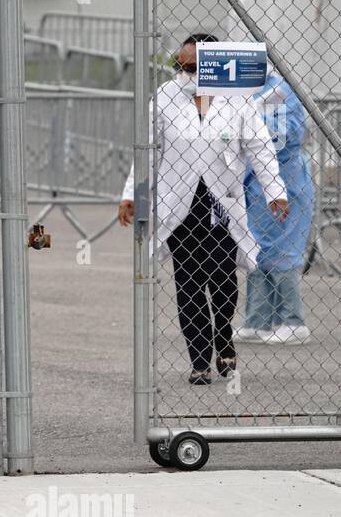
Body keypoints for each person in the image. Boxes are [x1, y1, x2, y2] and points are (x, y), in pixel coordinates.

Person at [118, 33, 289, 385]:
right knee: (190, 285)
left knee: (224, 281)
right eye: (181, 65)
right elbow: (147, 150)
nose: (186, 73)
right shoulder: (164, 98)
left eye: (194, 66)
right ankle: (199, 359)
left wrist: (276, 191)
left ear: (214, 67)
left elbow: (260, 147)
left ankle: (223, 337)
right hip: (180, 207)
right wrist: (132, 193)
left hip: (221, 207)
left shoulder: (237, 101)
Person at [235, 74, 314, 345]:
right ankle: (257, 320)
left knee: (282, 250)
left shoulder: (282, 90)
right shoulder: (245, 88)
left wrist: (250, 121)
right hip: (256, 183)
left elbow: (284, 133)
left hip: (286, 180)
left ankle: (293, 321)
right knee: (257, 249)